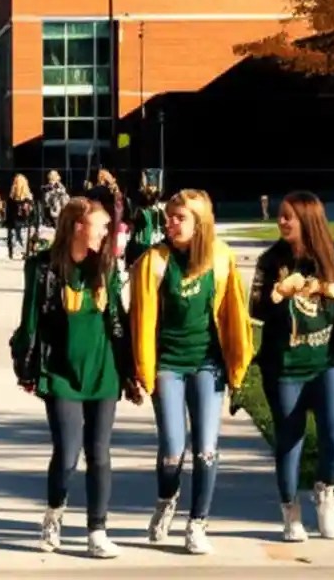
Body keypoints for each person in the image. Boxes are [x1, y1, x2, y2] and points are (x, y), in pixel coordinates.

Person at [10, 196, 140, 559]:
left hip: (103, 372)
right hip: (61, 373)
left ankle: (97, 530)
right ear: (78, 226)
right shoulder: (43, 268)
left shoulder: (107, 267)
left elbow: (118, 320)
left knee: (99, 453)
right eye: (101, 226)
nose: (106, 233)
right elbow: (30, 319)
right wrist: (26, 365)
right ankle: (54, 515)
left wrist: (129, 371)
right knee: (67, 453)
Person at [129, 188, 253, 555]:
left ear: (200, 223)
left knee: (206, 449)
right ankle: (167, 498)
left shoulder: (220, 258)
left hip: (207, 363)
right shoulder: (155, 261)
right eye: (169, 216)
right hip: (168, 362)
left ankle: (198, 523)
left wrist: (236, 364)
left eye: (179, 217)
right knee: (172, 447)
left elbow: (234, 312)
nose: (170, 223)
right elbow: (142, 320)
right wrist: (141, 370)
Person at [249, 191, 334, 542]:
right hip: (284, 366)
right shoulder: (270, 260)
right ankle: (290, 511)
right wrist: (280, 294)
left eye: (290, 216)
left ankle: (325, 492)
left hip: (327, 364)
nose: (282, 221)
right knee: (290, 441)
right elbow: (255, 309)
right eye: (281, 215)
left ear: (309, 221)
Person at [127, 182, 165, 268]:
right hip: (139, 243)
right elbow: (140, 223)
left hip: (145, 243)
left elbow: (162, 223)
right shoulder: (141, 211)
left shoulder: (153, 212)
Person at [6, 174, 36, 260]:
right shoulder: (28, 196)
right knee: (24, 236)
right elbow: (32, 210)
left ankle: (14, 252)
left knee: (15, 236)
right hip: (25, 220)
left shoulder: (12, 196)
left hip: (14, 219)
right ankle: (25, 251)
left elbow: (8, 210)